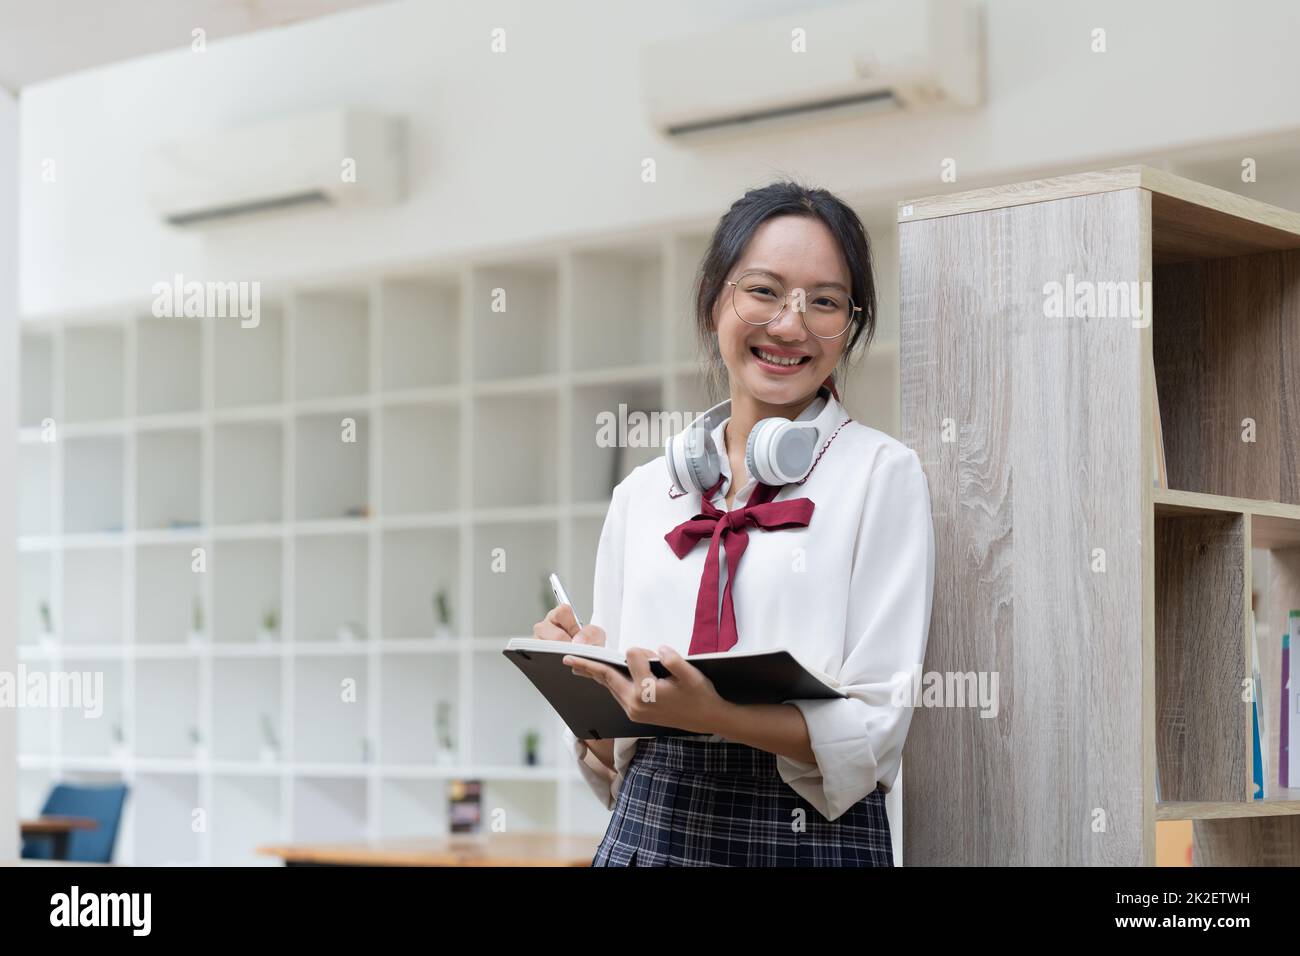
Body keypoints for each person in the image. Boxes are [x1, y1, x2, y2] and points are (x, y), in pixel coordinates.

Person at [532, 180, 935, 866]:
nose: (790, 325)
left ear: (852, 325)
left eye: (826, 302)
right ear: (716, 298)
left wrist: (713, 717)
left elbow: (875, 729)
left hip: (804, 836)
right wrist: (584, 692)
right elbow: (616, 758)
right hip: (648, 831)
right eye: (765, 291)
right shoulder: (642, 494)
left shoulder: (881, 476)